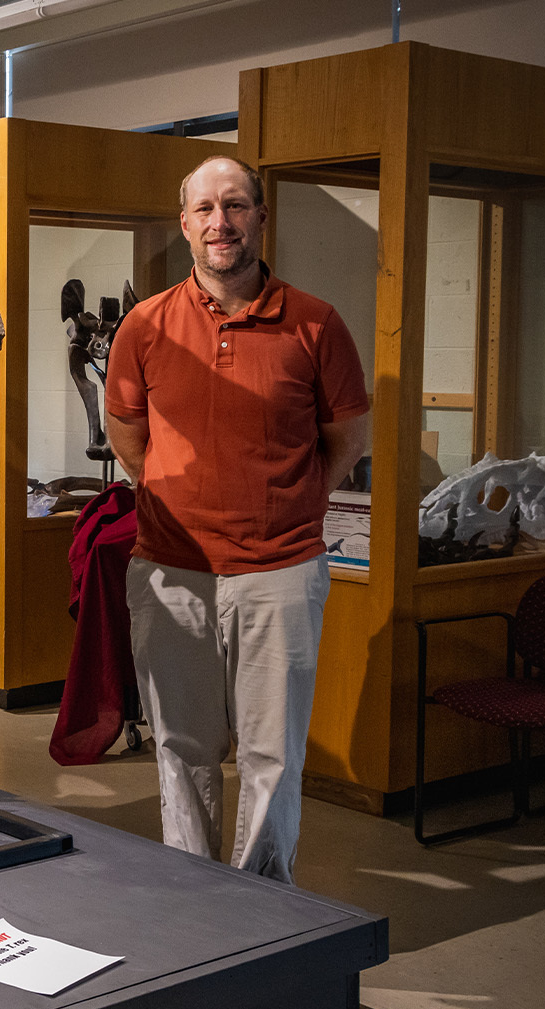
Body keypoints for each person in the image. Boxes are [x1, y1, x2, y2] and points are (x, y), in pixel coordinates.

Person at [103, 156, 370, 884]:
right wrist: (169, 492)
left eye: (236, 206)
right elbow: (126, 428)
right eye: (206, 210)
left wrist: (296, 498)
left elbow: (349, 434)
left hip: (280, 572)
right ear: (184, 223)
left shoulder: (316, 324)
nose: (221, 223)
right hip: (171, 572)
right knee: (182, 746)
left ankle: (260, 905)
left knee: (271, 755)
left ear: (260, 216)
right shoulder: (146, 325)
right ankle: (194, 897)